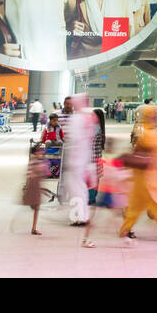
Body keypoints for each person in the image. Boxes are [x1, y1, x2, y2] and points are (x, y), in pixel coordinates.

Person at [118, 104, 157, 242]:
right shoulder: (147, 131)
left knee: (135, 205)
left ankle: (125, 229)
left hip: (141, 175)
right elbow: (148, 149)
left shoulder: (144, 129)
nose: (156, 116)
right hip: (148, 176)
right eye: (153, 114)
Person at [60, 93, 97, 226]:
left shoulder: (76, 119)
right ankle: (83, 216)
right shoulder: (87, 118)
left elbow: (74, 140)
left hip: (75, 161)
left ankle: (79, 217)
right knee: (81, 189)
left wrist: (71, 161)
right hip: (84, 160)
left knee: (75, 190)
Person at [23, 143, 49, 236]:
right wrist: (36, 173)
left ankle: (34, 228)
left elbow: (45, 173)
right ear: (35, 153)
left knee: (36, 207)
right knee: (34, 206)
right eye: (38, 151)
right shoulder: (33, 161)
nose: (40, 152)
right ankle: (33, 228)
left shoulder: (41, 161)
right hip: (33, 186)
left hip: (37, 186)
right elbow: (29, 174)